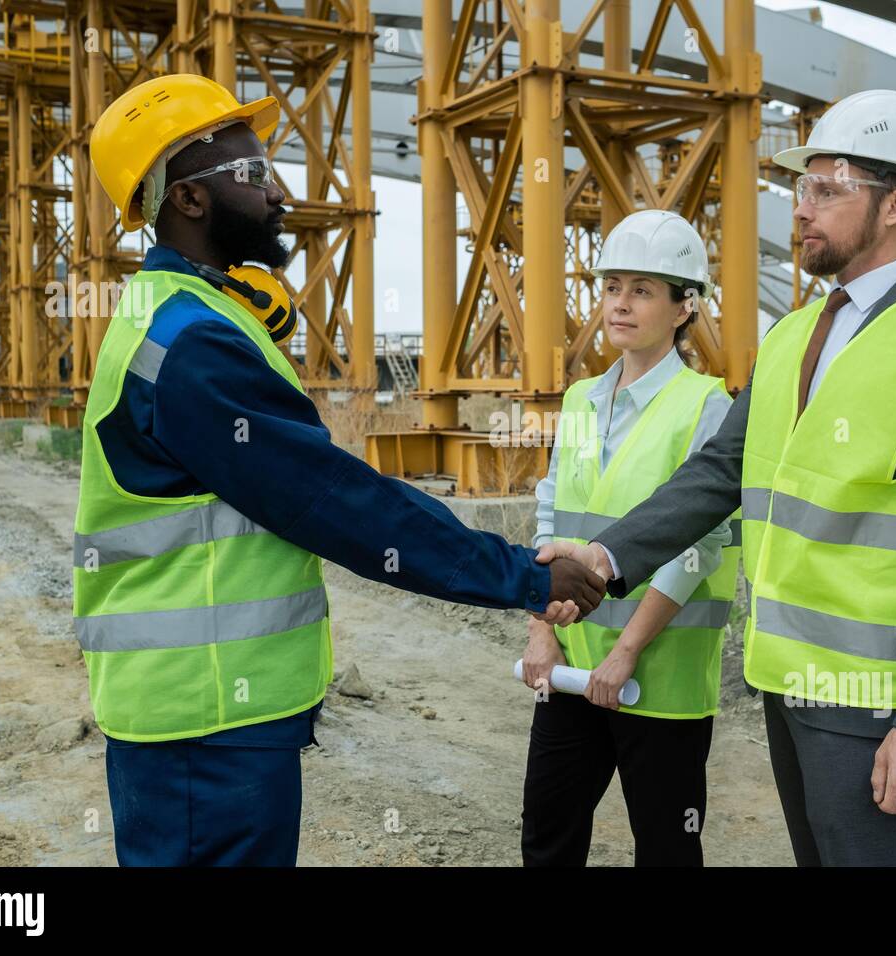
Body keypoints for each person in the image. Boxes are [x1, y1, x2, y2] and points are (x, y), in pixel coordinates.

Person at [76, 74, 604, 866]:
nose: (279, 195)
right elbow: (336, 501)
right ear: (187, 200)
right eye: (252, 175)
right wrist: (526, 578)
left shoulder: (181, 315)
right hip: (208, 722)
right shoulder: (193, 346)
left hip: (199, 711)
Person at [540, 89, 896, 866]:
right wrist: (608, 556)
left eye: (827, 190)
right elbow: (720, 472)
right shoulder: (796, 332)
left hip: (875, 697)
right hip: (786, 678)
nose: (802, 210)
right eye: (801, 190)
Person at [518, 210, 739, 867]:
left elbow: (702, 542)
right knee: (547, 834)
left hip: (658, 680)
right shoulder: (583, 398)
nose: (620, 303)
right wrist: (540, 629)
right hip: (571, 663)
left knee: (667, 847)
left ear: (683, 308)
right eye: (613, 286)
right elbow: (551, 513)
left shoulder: (706, 407)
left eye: (643, 289)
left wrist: (628, 652)